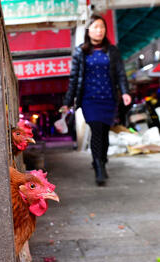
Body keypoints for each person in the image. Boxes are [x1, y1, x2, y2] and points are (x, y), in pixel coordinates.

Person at [60, 14, 131, 186]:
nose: (99, 30)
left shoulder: (112, 51)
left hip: (108, 98)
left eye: (102, 27)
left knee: (104, 131)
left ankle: (102, 159)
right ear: (88, 30)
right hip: (89, 99)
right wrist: (67, 102)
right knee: (97, 129)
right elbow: (74, 78)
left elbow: (120, 73)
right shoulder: (80, 51)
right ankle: (99, 167)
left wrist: (125, 92)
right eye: (96, 27)